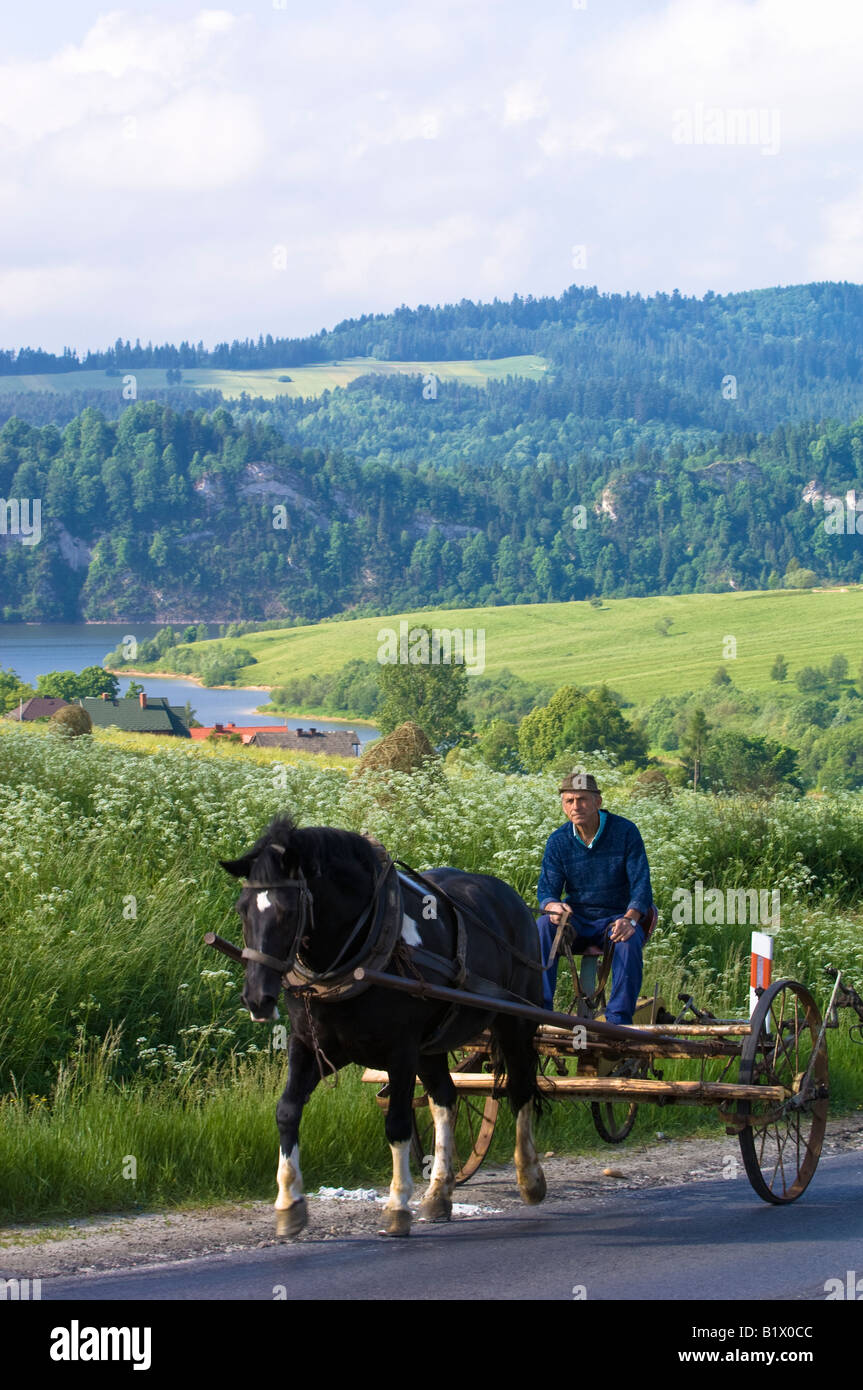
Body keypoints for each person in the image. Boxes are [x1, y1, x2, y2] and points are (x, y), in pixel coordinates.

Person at [536, 771, 653, 1025]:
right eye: (569, 801)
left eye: (582, 799)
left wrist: (630, 919)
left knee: (628, 939)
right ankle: (539, 1012)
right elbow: (546, 891)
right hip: (577, 920)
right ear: (563, 805)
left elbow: (641, 887)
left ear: (597, 801)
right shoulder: (558, 840)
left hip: (615, 918)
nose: (575, 806)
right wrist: (553, 905)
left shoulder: (625, 832)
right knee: (543, 926)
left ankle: (618, 1022)